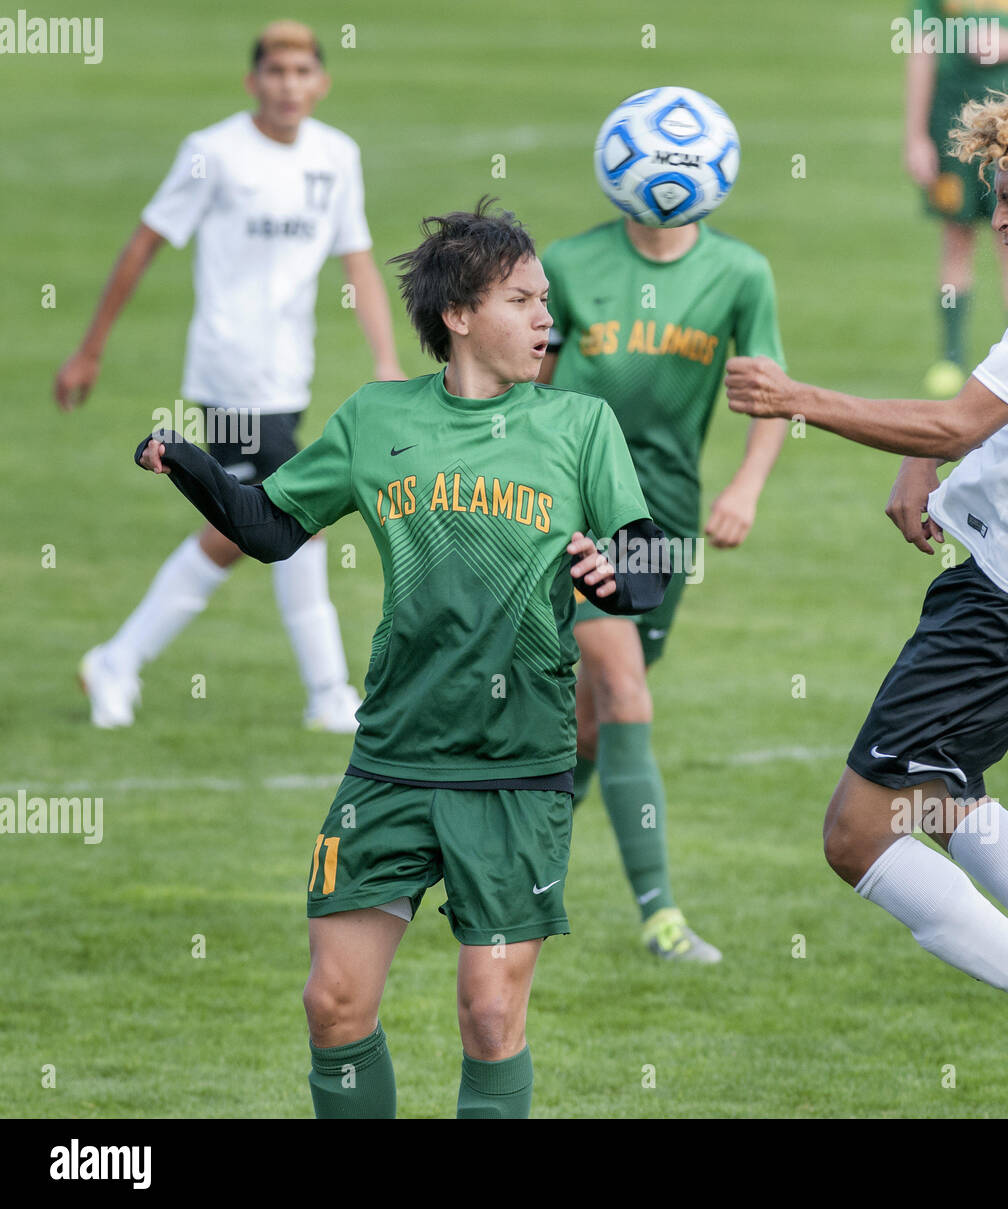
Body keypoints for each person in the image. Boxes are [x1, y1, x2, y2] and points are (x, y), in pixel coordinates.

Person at [135, 198, 669, 1118]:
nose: (548, 317)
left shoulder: (579, 425)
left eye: (547, 299)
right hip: (391, 758)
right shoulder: (377, 418)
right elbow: (270, 528)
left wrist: (613, 575)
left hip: (515, 765)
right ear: (459, 315)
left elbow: (650, 559)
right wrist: (190, 462)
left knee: (490, 1014)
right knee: (333, 1003)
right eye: (524, 298)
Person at [726, 74, 1008, 1117]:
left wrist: (798, 401)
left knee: (858, 833)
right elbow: (1005, 404)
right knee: (942, 795)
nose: (998, 216)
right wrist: (935, 472)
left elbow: (958, 418)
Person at [57, 20, 404, 733]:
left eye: (302, 71)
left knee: (236, 531)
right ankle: (329, 692)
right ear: (253, 82)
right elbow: (145, 241)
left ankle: (117, 659)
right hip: (228, 374)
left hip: (289, 376)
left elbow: (358, 257)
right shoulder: (211, 154)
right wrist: (90, 348)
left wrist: (386, 357)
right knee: (297, 522)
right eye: (275, 71)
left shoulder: (338, 156)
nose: (288, 84)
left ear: (321, 83)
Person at [539, 192, 787, 962]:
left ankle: (520, 875)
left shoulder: (741, 272)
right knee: (622, 689)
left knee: (588, 720)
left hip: (662, 520)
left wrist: (745, 486)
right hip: (574, 503)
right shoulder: (570, 263)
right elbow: (527, 380)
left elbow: (770, 396)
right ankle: (660, 916)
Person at [902, 0, 1008, 397]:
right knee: (955, 240)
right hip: (951, 120)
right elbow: (920, 49)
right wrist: (915, 136)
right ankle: (951, 358)